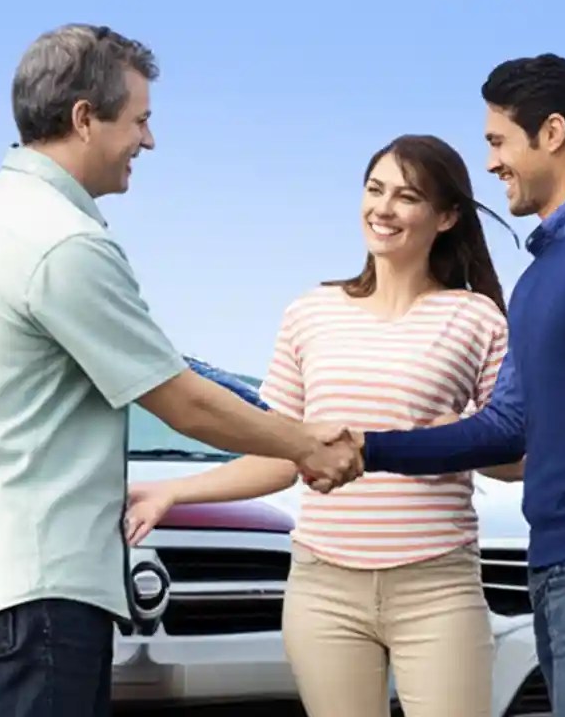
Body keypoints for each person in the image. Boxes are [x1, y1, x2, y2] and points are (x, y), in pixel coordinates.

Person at [0, 24, 354, 717]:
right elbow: (181, 401)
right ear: (86, 118)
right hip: (42, 586)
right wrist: (305, 445)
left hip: (10, 581)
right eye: (140, 120)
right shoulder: (59, 240)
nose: (149, 141)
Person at [315, 54, 565, 716]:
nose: (492, 163)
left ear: (551, 134)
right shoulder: (540, 276)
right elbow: (505, 426)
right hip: (556, 566)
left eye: (499, 141)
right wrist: (368, 449)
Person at [122, 134, 522, 717]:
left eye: (406, 197)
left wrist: (452, 435)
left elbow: (513, 459)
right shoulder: (311, 312)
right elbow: (281, 454)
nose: (382, 209)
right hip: (324, 588)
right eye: (374, 189)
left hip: (437, 587)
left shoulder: (476, 317)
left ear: (447, 216)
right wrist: (173, 491)